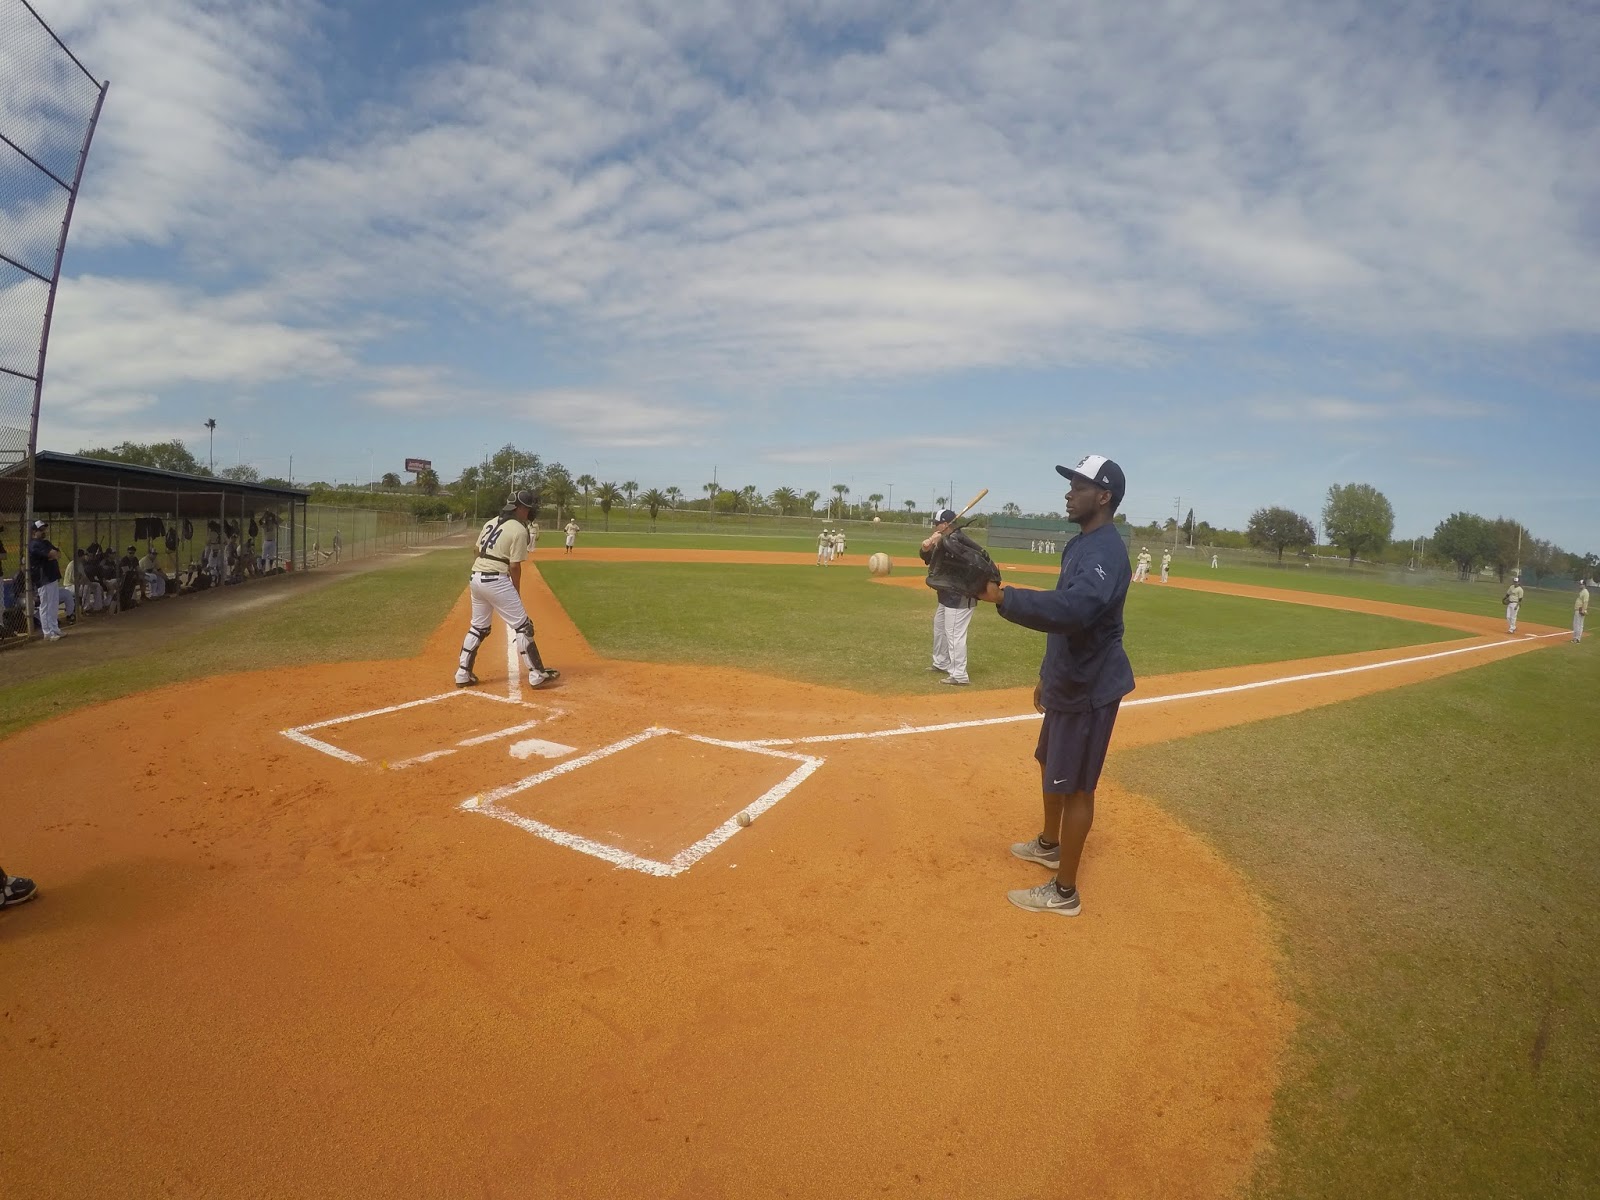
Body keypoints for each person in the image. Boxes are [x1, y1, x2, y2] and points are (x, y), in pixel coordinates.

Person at [977, 454, 1134, 918]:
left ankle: (1065, 893)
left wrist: (1005, 597)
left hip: (1090, 686)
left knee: (1078, 786)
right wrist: (1047, 673)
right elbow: (1065, 621)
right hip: (1069, 677)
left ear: (1103, 497)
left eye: (1079, 486)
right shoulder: (1080, 544)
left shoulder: (1106, 551)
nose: (1069, 493)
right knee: (1050, 761)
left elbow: (1074, 610)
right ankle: (1050, 843)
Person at [457, 489, 561, 690]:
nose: (529, 512)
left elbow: (476, 550)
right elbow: (514, 566)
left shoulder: (490, 522)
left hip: (476, 577)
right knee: (523, 626)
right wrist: (516, 591)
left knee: (478, 627)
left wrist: (486, 564)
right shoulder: (519, 530)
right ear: (520, 508)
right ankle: (537, 675)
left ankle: (462, 673)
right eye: (528, 508)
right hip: (497, 580)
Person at [920, 507, 975, 686]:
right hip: (947, 594)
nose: (935, 527)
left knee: (954, 634)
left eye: (937, 524)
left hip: (960, 595)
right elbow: (929, 559)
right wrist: (927, 546)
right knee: (940, 628)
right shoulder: (947, 539)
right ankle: (941, 662)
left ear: (945, 524)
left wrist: (941, 542)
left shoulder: (958, 540)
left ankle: (959, 674)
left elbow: (959, 558)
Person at [28, 519, 65, 641]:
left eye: (44, 529)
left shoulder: (46, 542)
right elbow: (52, 554)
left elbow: (57, 554)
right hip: (43, 578)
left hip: (52, 576)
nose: (43, 531)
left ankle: (55, 629)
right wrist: (52, 555)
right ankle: (48, 632)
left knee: (53, 604)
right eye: (40, 530)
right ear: (34, 531)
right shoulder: (34, 544)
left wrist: (52, 555)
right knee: (46, 605)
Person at [1575, 579, 1589, 644]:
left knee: (1579, 625)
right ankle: (1575, 638)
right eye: (1580, 584)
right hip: (1577, 610)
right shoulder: (1582, 591)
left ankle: (1578, 639)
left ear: (1584, 585)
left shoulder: (1585, 592)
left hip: (1580, 610)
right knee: (1576, 625)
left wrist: (1583, 610)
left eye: (1581, 584)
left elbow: (1585, 602)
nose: (1580, 585)